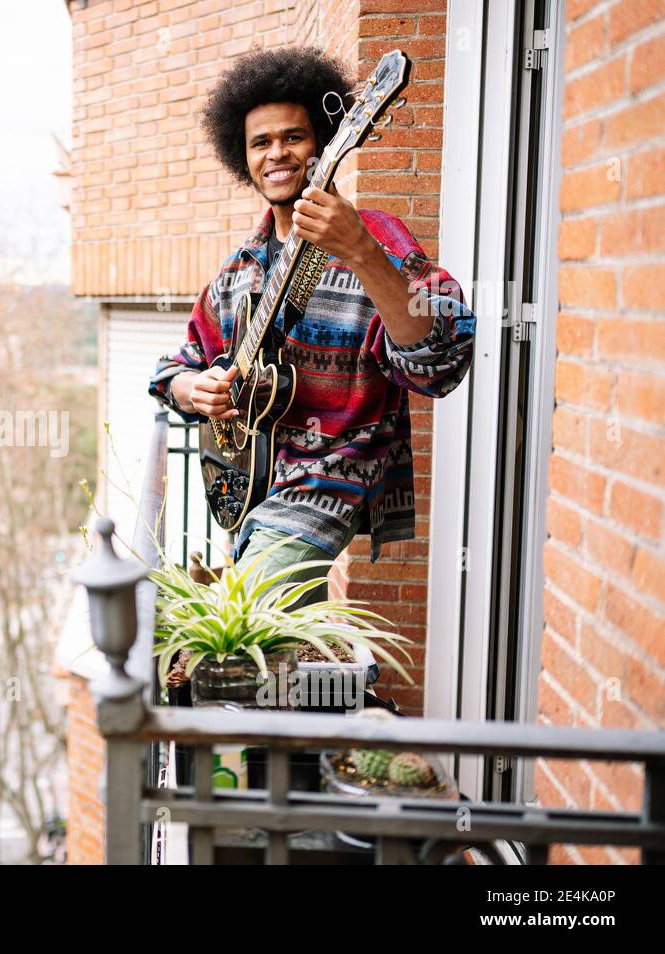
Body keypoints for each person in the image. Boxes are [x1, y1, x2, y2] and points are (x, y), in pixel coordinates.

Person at [149, 45, 476, 612]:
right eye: (260, 142)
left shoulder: (376, 236)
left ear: (326, 141)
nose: (277, 153)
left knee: (231, 625)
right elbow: (172, 369)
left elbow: (443, 364)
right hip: (249, 480)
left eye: (293, 137)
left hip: (331, 479)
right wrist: (192, 390)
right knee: (270, 658)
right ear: (242, 156)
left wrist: (363, 254)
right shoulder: (239, 270)